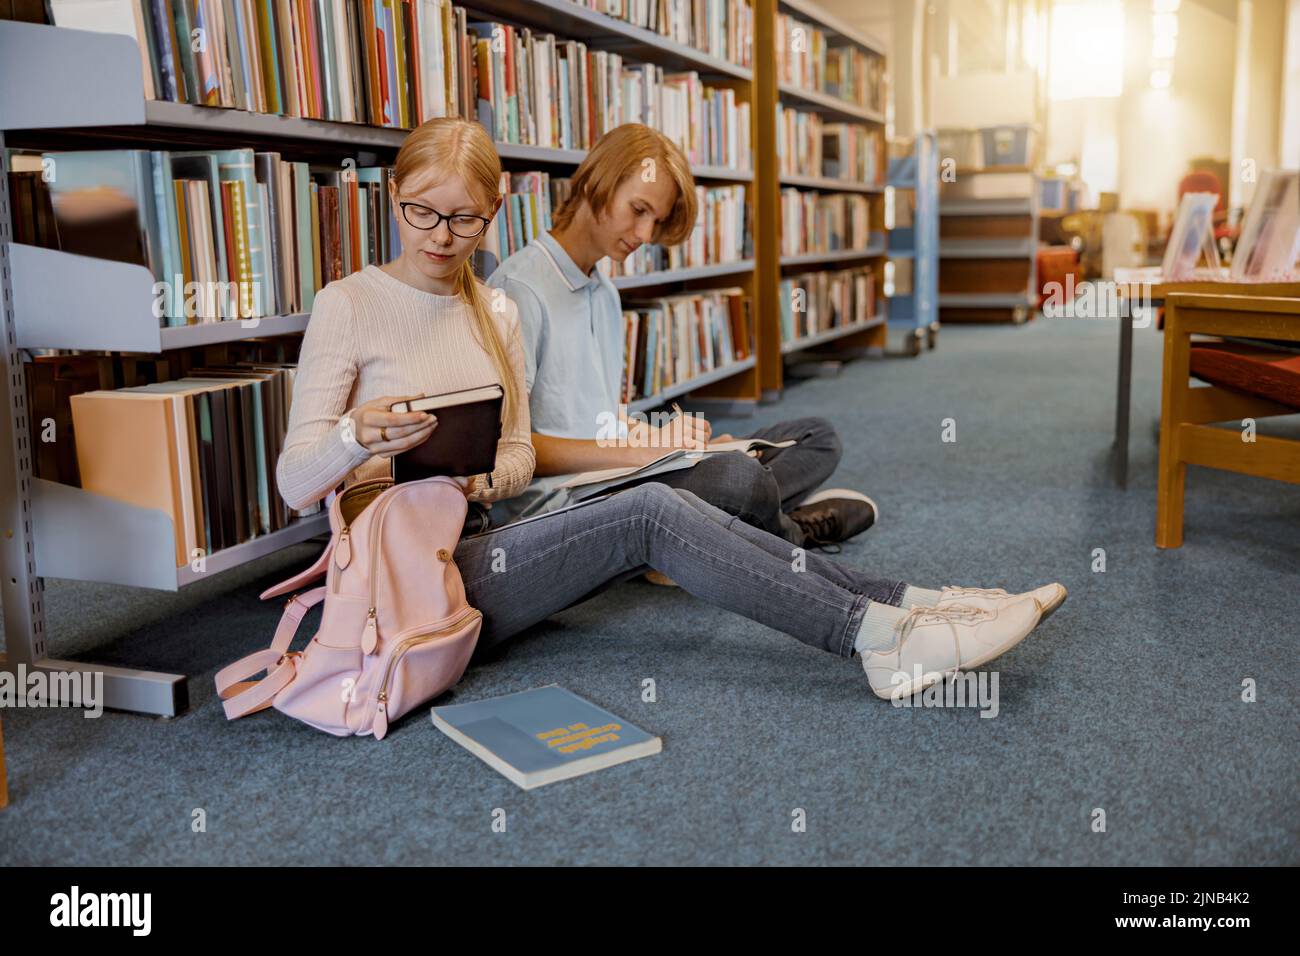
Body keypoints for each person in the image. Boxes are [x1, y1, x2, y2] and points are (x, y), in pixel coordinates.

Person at [275, 117, 1067, 702]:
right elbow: (292, 479)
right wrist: (358, 438)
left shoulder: (496, 313)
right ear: (394, 196)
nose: (442, 238)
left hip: (488, 532)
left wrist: (475, 474)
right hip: (414, 577)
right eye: (423, 212)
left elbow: (516, 458)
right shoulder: (348, 304)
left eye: (465, 220)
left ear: (492, 213)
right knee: (655, 509)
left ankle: (918, 605)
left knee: (688, 492)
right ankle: (882, 635)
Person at [485, 123, 876, 549]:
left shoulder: (605, 293)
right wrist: (646, 454)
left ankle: (712, 530)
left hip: (621, 473)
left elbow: (599, 420)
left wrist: (676, 446)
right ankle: (788, 533)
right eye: (638, 210)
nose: (646, 235)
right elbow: (513, 449)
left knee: (816, 438)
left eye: (656, 220)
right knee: (736, 480)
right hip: (569, 501)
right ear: (597, 182)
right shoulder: (519, 288)